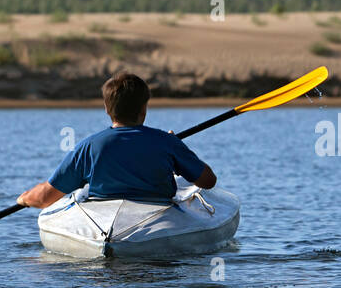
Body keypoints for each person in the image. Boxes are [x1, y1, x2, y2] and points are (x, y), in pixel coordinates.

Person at [16, 72, 217, 209]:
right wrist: (179, 150)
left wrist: (25, 198)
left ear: (106, 107)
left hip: (104, 219)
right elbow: (208, 181)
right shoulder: (166, 142)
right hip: (157, 218)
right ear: (144, 109)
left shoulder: (89, 147)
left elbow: (44, 198)